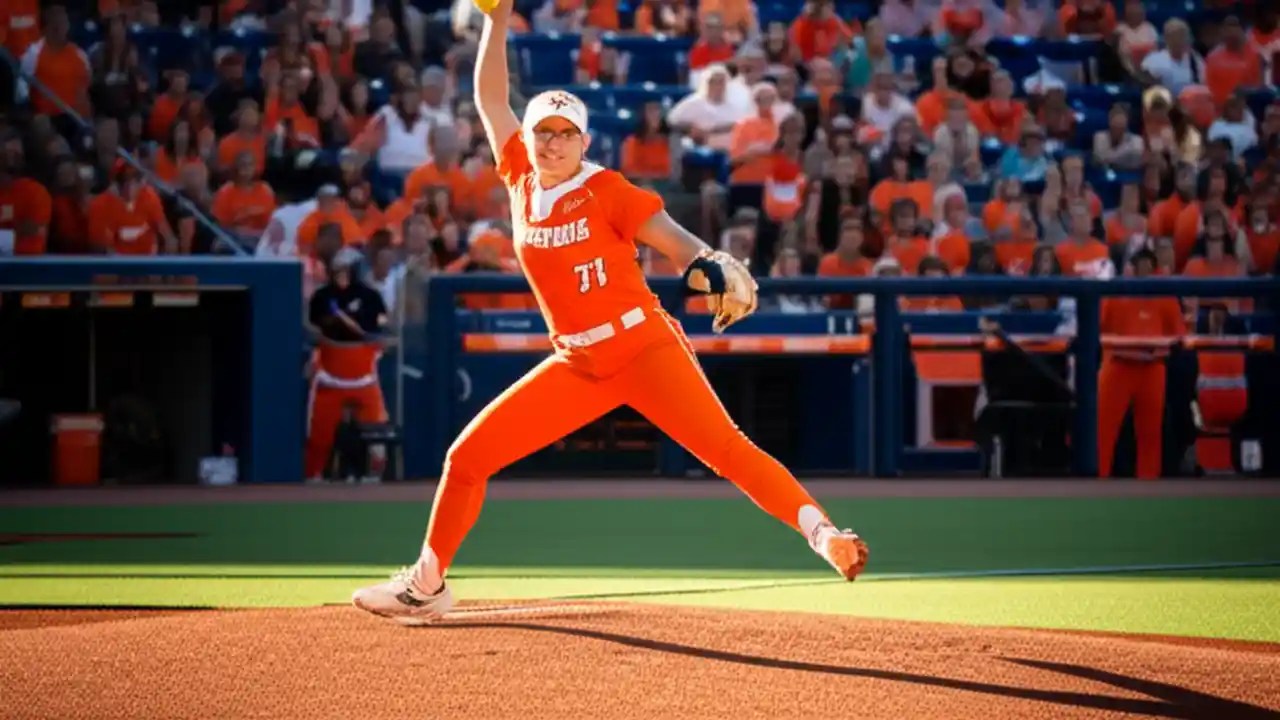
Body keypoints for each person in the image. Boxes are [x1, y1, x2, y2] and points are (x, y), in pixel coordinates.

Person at [352, 0, 868, 625]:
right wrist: (495, 18)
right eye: (543, 130)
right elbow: (492, 101)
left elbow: (679, 242)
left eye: (565, 133)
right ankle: (427, 586)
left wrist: (713, 262)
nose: (551, 141)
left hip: (643, 348)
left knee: (728, 450)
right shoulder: (520, 175)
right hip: (578, 360)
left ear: (584, 141)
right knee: (467, 457)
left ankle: (825, 536)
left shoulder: (606, 189)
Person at [1097, 249, 1187, 480]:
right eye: (1140, 264)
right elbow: (1098, 327)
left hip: (1152, 368)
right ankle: (1096, 480)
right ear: (1132, 267)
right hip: (1118, 365)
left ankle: (1148, 484)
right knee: (1103, 430)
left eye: (1149, 264)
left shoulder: (1165, 296)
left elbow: (1178, 335)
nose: (1144, 269)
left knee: (1150, 433)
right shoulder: (1115, 293)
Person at [305, 247, 391, 483]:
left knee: (376, 428)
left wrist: (373, 334)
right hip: (329, 375)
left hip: (364, 374)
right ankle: (314, 474)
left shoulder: (371, 297)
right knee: (319, 432)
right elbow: (313, 326)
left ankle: (373, 473)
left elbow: (380, 327)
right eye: (336, 271)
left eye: (345, 271)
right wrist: (329, 324)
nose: (339, 275)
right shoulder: (322, 296)